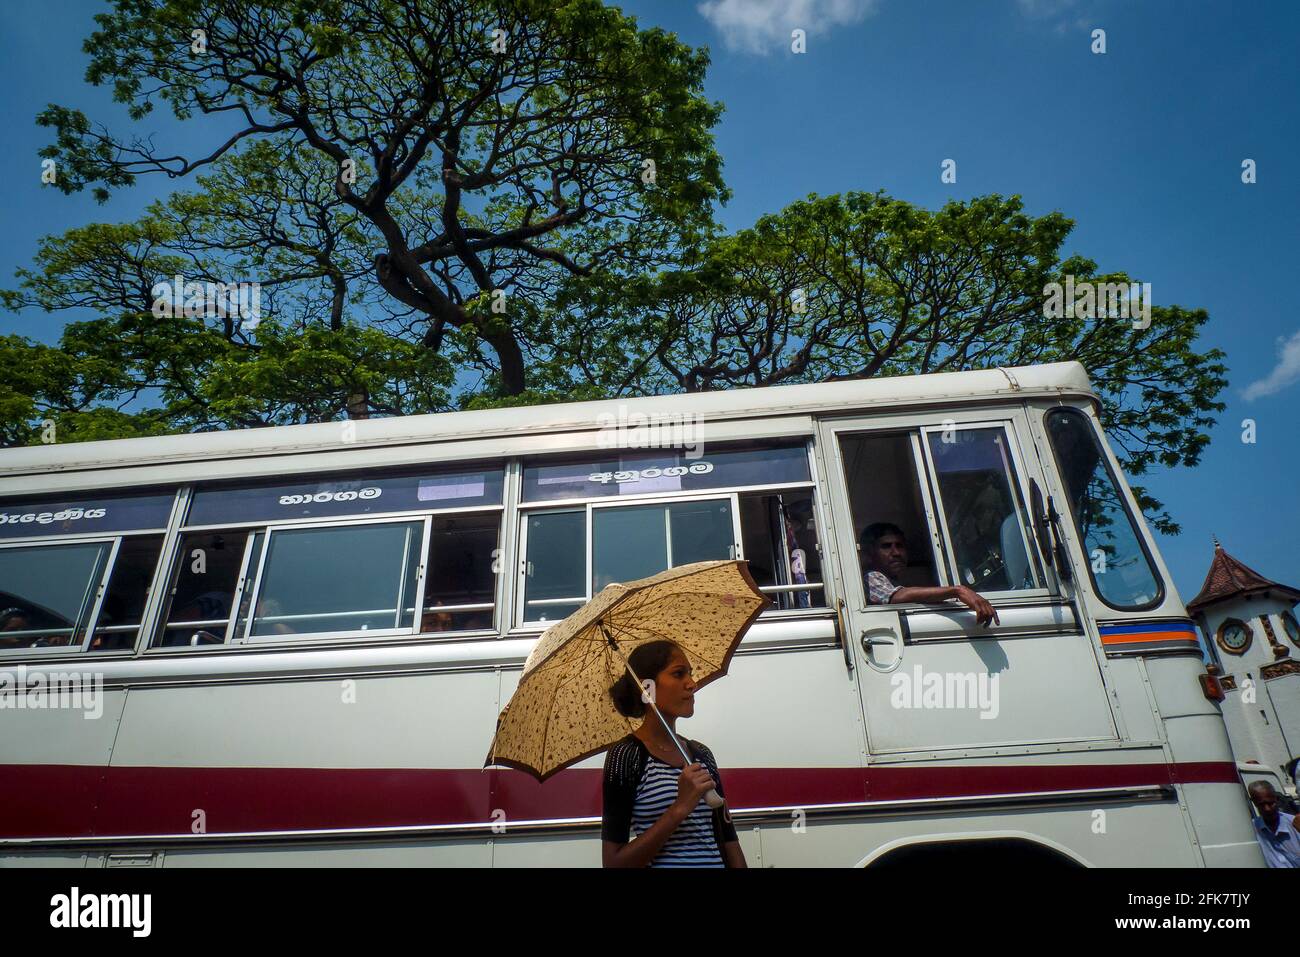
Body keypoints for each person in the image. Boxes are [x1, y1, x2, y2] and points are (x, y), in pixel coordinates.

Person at [601, 640, 746, 868]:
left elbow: (728, 839)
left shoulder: (701, 754)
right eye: (679, 674)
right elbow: (614, 863)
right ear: (647, 688)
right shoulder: (626, 756)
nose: (692, 684)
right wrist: (680, 807)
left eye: (690, 673)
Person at [859, 522, 999, 627]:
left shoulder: (893, 581)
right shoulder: (870, 577)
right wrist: (958, 591)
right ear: (870, 553)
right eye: (886, 546)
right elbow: (896, 596)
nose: (896, 553)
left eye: (900, 546)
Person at [1249, 780, 1300, 867]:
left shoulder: (1295, 824)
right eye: (1261, 805)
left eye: (1270, 803)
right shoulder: (1251, 830)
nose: (1267, 809)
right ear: (1254, 803)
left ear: (1276, 799)